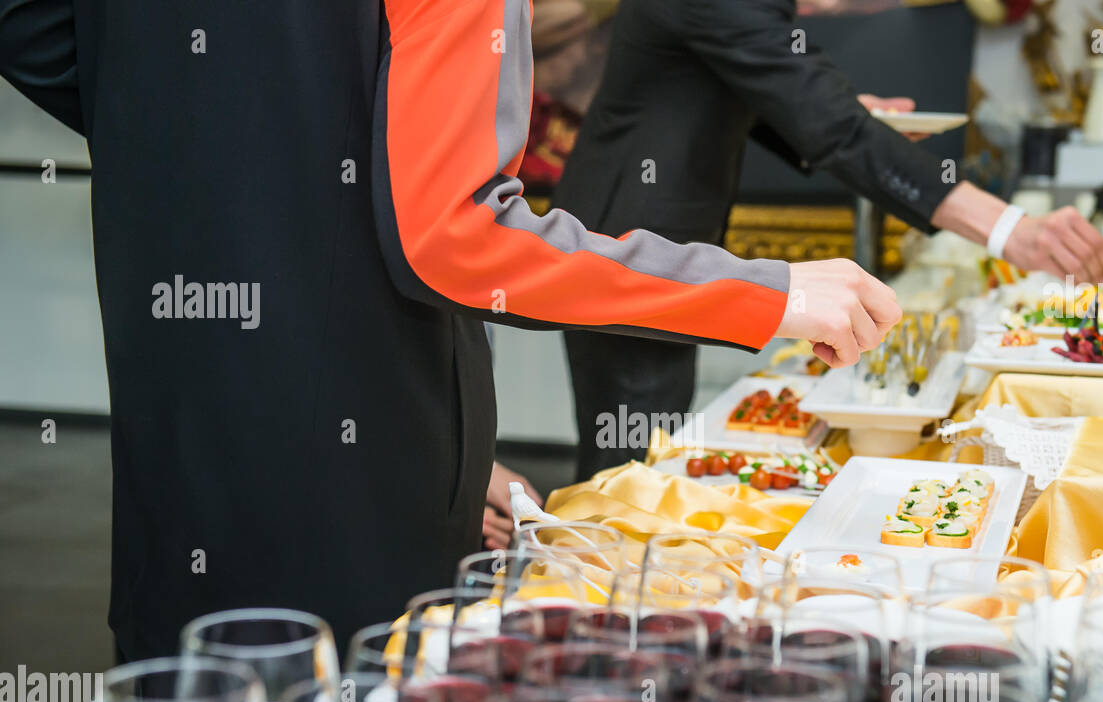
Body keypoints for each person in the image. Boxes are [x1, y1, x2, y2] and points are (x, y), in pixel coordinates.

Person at [0, 0, 897, 661]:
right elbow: (457, 237)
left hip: (177, 500)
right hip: (358, 550)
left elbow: (32, 28)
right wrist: (764, 293)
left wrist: (197, 130)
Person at [553, 0, 1103, 478]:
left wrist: (847, 115)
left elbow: (762, 90)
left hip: (643, 230)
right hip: (624, 239)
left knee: (646, 431)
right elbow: (834, 127)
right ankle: (589, 563)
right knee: (628, 448)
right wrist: (1011, 230)